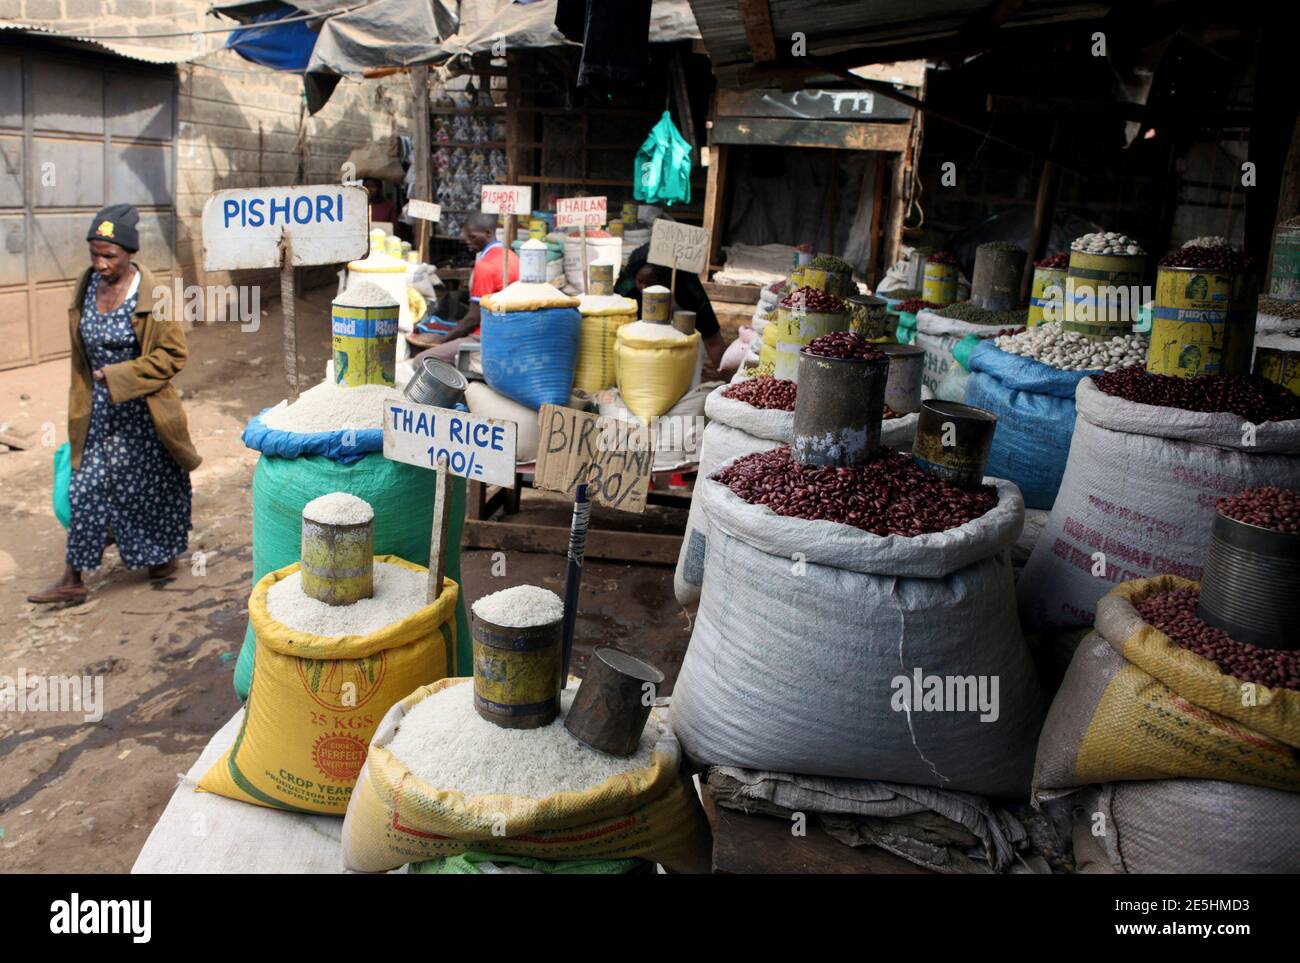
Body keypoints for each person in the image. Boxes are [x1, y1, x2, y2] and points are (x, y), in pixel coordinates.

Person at [28, 205, 201, 604]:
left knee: (150, 488)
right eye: (95, 254)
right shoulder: (87, 284)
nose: (101, 264)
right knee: (85, 487)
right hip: (96, 412)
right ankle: (73, 578)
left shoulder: (153, 293)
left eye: (110, 256)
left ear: (129, 254)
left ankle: (159, 557)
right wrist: (94, 382)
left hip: (145, 413)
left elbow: (174, 355)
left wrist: (120, 375)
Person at [413, 212, 519, 364]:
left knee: (420, 360)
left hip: (486, 336)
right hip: (508, 332)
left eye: (473, 237)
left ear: (488, 233)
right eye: (467, 236)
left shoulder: (485, 265)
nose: (467, 241)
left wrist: (443, 339)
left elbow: (474, 317)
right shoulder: (512, 256)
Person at [615, 241, 729, 370]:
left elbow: (713, 340)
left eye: (651, 283)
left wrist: (730, 383)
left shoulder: (689, 289)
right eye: (640, 282)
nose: (644, 288)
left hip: (680, 354)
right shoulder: (627, 287)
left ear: (667, 280)